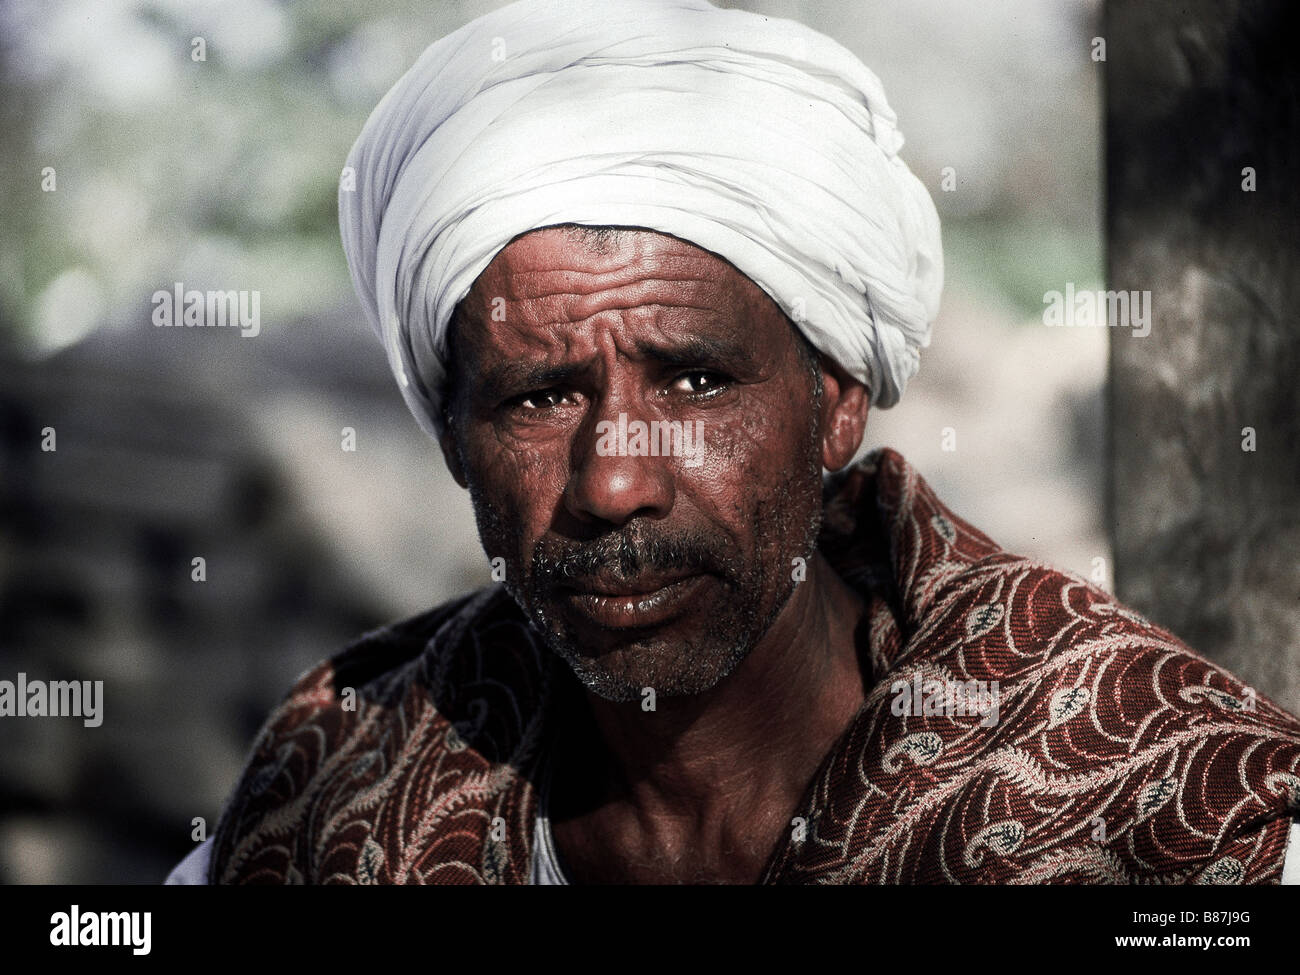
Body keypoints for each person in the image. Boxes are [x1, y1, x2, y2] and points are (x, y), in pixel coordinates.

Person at [167, 0, 1300, 885]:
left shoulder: (1150, 803)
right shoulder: (330, 790)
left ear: (835, 402)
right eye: (537, 399)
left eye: (696, 379)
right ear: (455, 437)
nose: (612, 480)